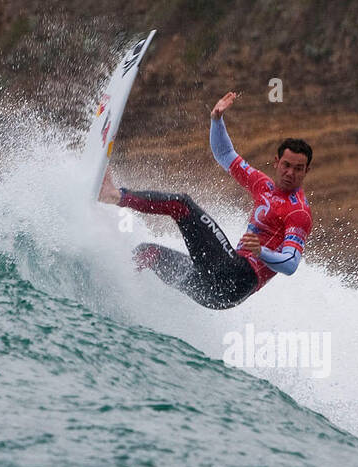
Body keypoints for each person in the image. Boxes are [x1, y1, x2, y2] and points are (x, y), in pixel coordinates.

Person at [98, 91, 313, 309]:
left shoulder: (298, 212)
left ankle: (115, 195)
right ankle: (111, 294)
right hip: (213, 289)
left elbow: (290, 264)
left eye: (298, 169)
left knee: (181, 205)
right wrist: (217, 120)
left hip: (236, 278)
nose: (290, 173)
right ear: (276, 162)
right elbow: (225, 154)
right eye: (287, 165)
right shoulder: (262, 185)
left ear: (306, 171)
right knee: (147, 253)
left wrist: (261, 252)